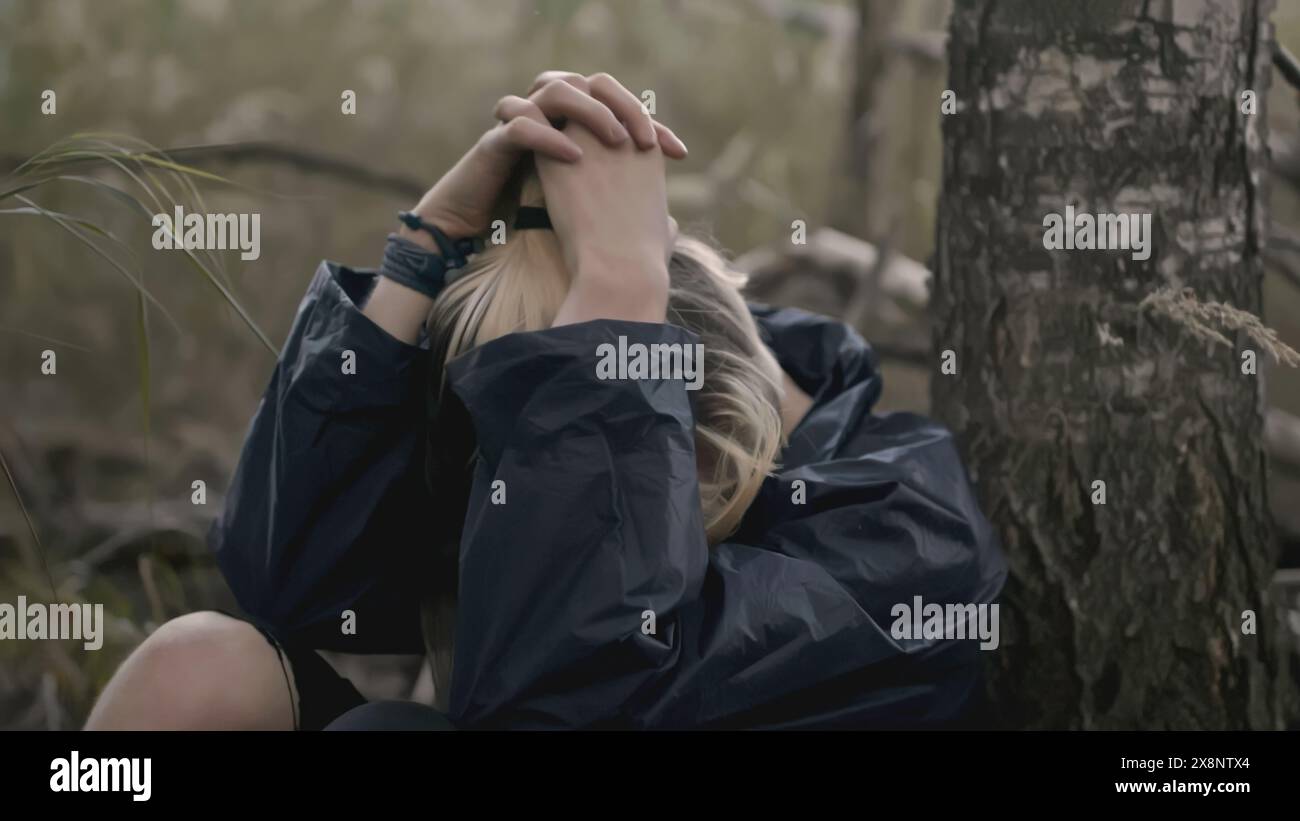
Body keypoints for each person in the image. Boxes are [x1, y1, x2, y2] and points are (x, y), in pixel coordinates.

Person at [86, 70, 1005, 731]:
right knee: (195, 666)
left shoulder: (901, 538)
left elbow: (573, 706)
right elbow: (291, 579)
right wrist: (423, 251)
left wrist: (614, 288)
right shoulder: (549, 401)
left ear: (709, 455)